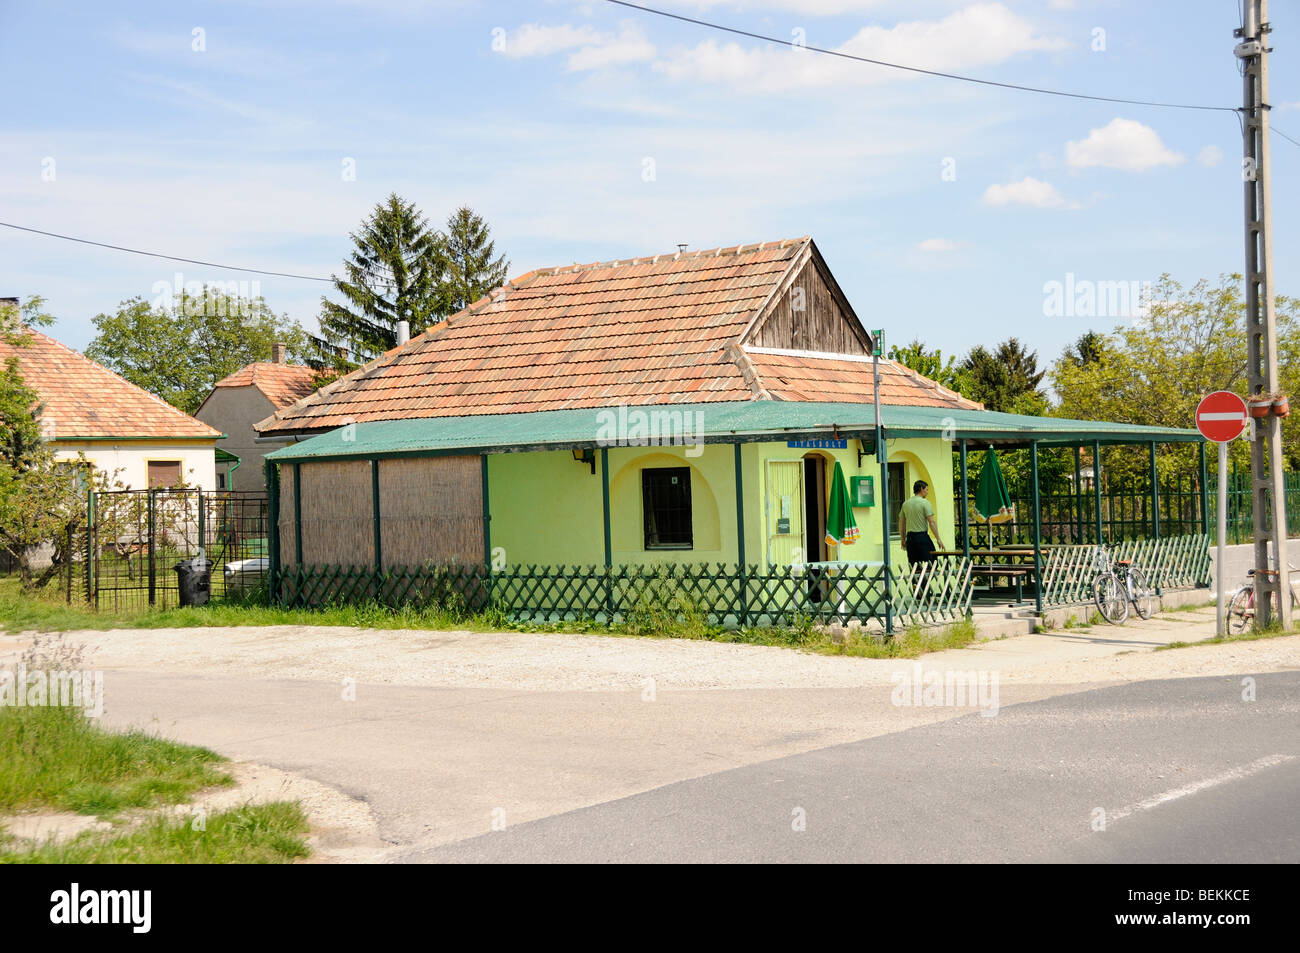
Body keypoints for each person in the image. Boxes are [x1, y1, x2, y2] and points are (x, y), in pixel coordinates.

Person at [899, 480, 946, 569]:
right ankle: (924, 582)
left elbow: (901, 524)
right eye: (927, 490)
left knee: (914, 565)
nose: (927, 492)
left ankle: (916, 582)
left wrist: (903, 539)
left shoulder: (905, 504)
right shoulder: (925, 503)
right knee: (933, 562)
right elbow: (931, 522)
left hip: (910, 538)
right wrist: (938, 539)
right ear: (921, 489)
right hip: (921, 537)